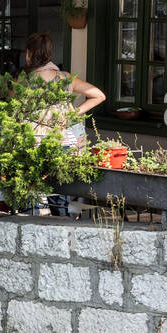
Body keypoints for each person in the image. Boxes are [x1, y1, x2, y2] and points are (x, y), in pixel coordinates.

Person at [20, 32, 105, 217]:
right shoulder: (66, 78)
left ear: (28, 53)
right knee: (60, 199)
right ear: (50, 54)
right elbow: (99, 95)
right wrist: (73, 112)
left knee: (29, 200)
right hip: (62, 143)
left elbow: (13, 109)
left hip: (33, 144)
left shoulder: (24, 81)